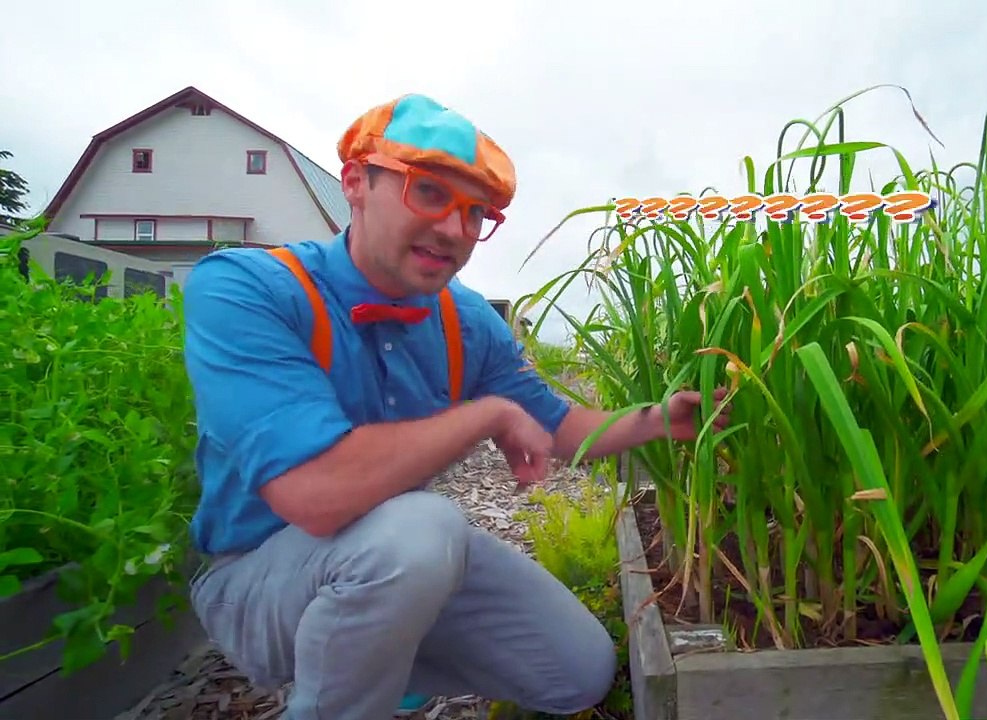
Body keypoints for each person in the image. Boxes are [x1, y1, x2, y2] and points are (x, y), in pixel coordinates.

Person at [180, 93, 729, 719]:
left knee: (576, 671)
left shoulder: (462, 318)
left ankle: (381, 653)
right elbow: (314, 496)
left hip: (394, 560)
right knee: (419, 531)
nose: (454, 230)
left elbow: (559, 429)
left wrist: (663, 418)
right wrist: (486, 413)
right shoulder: (250, 289)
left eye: (476, 212)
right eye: (429, 194)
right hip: (254, 577)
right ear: (356, 183)